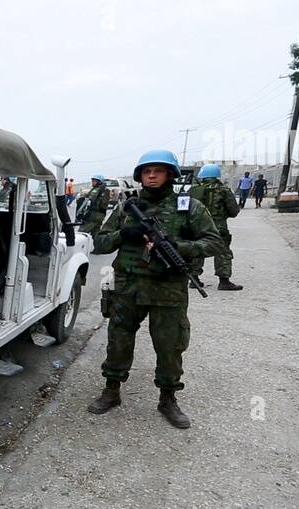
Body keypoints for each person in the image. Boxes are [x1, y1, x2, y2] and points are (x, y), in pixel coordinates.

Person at [87, 150, 223, 429]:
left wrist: (179, 247)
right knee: (118, 340)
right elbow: (99, 244)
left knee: (170, 345)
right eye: (147, 171)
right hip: (128, 286)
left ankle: (168, 398)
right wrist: (124, 234)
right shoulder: (127, 207)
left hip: (168, 288)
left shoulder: (189, 206)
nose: (151, 175)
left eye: (158, 170)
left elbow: (214, 242)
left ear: (170, 174)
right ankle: (112, 390)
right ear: (139, 175)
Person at [189, 164, 242, 291]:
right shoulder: (224, 190)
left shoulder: (194, 189)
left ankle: (194, 279)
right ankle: (224, 282)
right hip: (218, 226)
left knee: (197, 249)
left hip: (197, 225)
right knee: (222, 251)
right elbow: (234, 211)